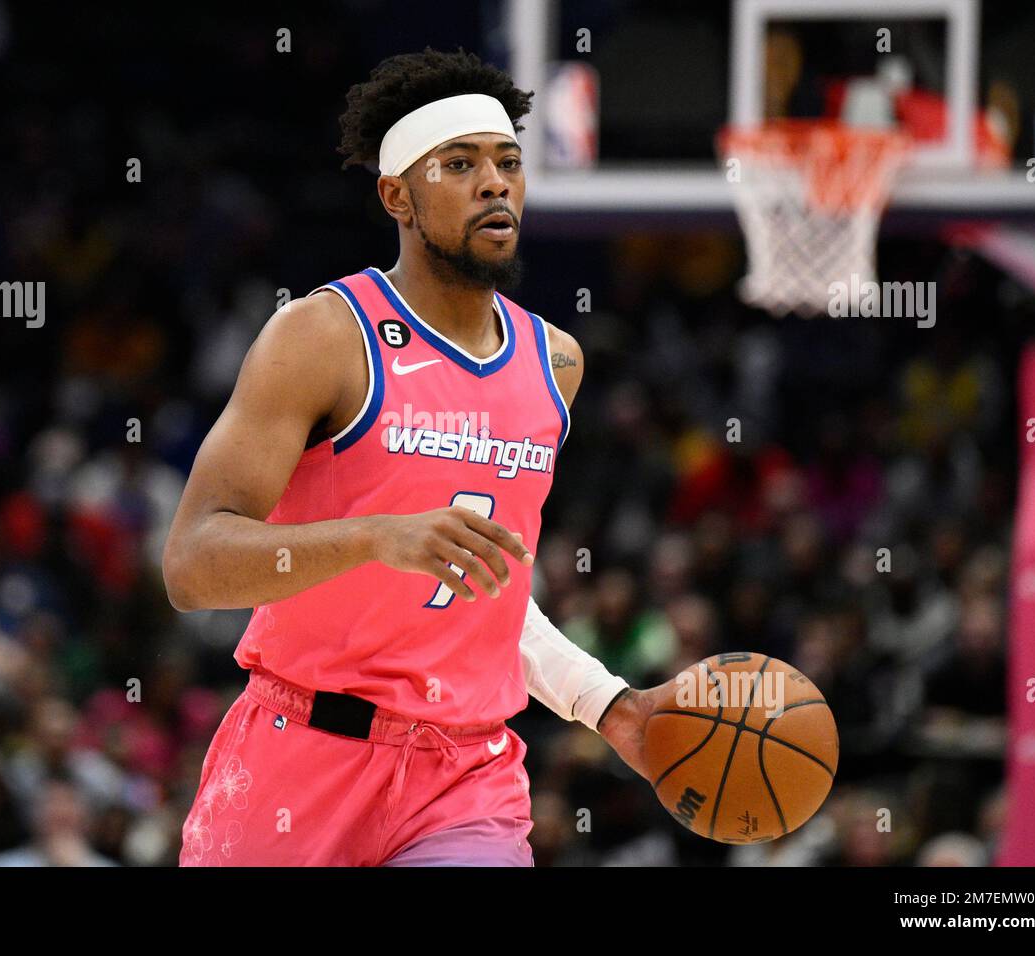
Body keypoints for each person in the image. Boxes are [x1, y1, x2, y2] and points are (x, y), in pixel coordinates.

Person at [164, 48, 667, 867]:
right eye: (460, 164)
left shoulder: (555, 364)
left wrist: (606, 703)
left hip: (462, 777)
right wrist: (374, 537)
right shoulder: (322, 337)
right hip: (298, 759)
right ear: (397, 195)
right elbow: (191, 566)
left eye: (508, 163)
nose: (495, 183)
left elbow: (489, 597)